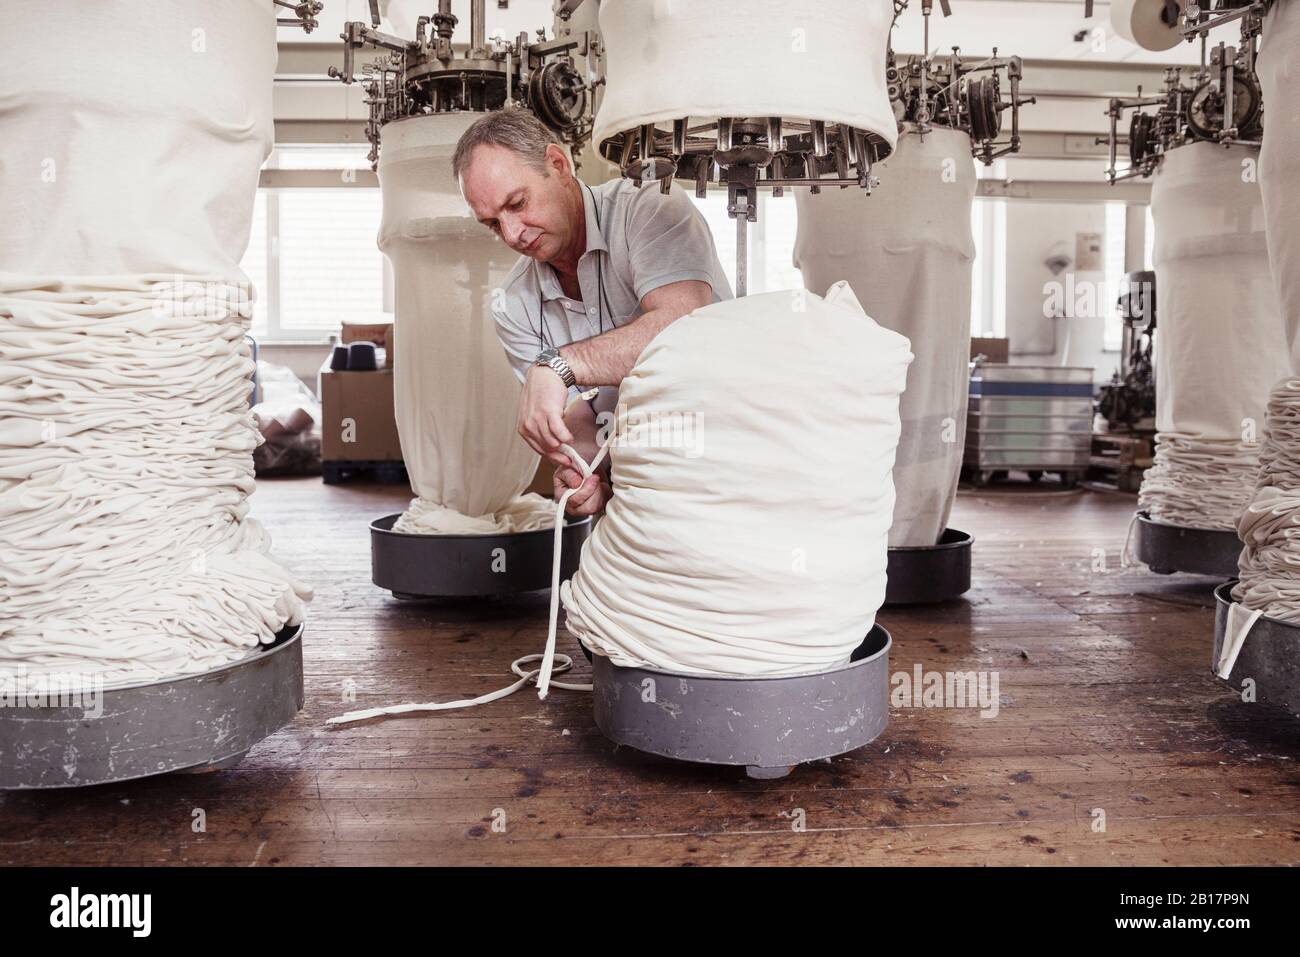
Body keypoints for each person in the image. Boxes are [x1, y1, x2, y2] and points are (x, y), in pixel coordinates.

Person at [453, 108, 732, 516]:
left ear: (558, 164)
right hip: (638, 491)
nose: (512, 234)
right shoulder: (513, 306)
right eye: (493, 224)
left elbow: (684, 327)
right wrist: (583, 473)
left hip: (723, 455)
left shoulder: (650, 206)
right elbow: (576, 416)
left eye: (517, 203)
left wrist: (560, 364)